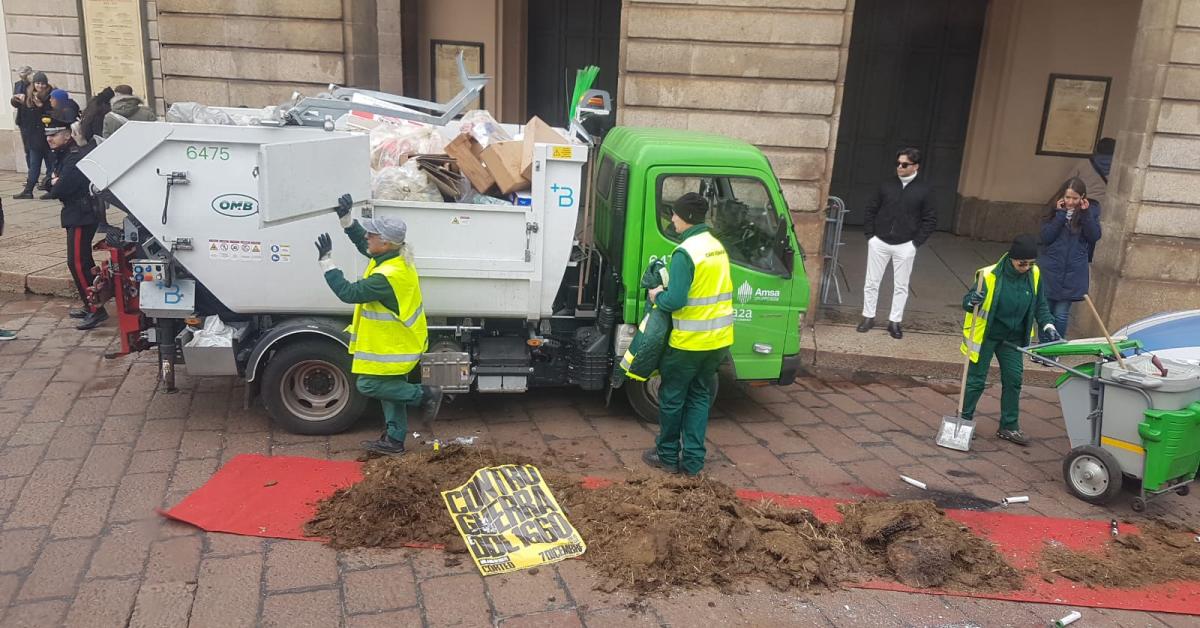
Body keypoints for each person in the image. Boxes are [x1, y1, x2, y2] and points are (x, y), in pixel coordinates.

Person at [315, 194, 442, 455]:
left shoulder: (386, 277)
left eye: (372, 235)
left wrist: (326, 262)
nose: (367, 237)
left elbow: (348, 293)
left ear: (385, 243)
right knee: (390, 391)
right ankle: (395, 441)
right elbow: (363, 245)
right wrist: (346, 220)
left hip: (395, 344)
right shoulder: (392, 257)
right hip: (399, 339)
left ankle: (425, 395)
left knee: (368, 385)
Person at [642, 192, 735, 476]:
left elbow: (677, 300)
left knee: (672, 398)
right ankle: (693, 461)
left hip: (689, 343)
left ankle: (667, 454)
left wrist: (657, 294)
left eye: (676, 214)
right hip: (718, 341)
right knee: (699, 396)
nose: (672, 218)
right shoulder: (716, 247)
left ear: (687, 218)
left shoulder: (685, 252)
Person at [960, 234, 1060, 447]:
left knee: (1014, 379)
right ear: (1011, 258)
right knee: (976, 380)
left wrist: (1048, 326)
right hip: (987, 335)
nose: (1026, 267)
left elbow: (1040, 305)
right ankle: (964, 419)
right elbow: (968, 303)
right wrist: (972, 301)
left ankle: (1009, 425)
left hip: (1013, 338)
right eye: (1022, 263)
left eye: (1031, 263)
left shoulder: (1034, 275)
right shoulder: (987, 275)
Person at [857, 147, 937, 340]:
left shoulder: (924, 190)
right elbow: (871, 209)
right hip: (880, 241)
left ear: (915, 166)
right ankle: (868, 317)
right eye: (898, 163)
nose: (900, 167)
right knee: (871, 282)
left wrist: (915, 243)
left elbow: (930, 219)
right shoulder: (886, 185)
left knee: (901, 285)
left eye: (904, 164)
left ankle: (895, 321)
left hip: (905, 244)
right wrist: (871, 236)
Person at [45, 113, 108, 330]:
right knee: (83, 262)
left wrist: (54, 185)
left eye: (54, 135)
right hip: (74, 213)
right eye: (48, 135)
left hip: (82, 214)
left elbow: (58, 188)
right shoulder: (61, 154)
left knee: (77, 262)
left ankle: (95, 310)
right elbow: (48, 182)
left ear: (67, 135)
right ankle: (90, 302)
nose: (49, 139)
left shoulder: (73, 156)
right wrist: (52, 184)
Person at [1038, 177, 1102, 339]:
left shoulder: (1090, 212)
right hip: (1051, 268)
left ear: (1082, 197)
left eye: (1075, 198)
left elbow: (1094, 236)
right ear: (1062, 196)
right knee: (1046, 312)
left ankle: (1056, 348)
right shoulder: (1053, 212)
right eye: (1068, 197)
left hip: (1073, 271)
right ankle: (1042, 348)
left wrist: (1086, 214)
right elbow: (1046, 237)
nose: (1071, 202)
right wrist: (1060, 215)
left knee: (1061, 313)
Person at [10, 72, 53, 199]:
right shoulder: (28, 96)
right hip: (34, 137)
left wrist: (41, 107)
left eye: (42, 83)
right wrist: (16, 100)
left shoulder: (49, 96)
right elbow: (24, 116)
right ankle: (28, 190)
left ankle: (51, 188)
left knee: (51, 164)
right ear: (34, 83)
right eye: (38, 83)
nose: (40, 86)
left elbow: (50, 114)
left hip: (47, 136)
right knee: (34, 165)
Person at [1073, 137, 1114, 210]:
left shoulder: (1084, 163)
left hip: (1083, 204)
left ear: (1097, 148)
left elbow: (1069, 183)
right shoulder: (1117, 167)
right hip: (1104, 206)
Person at [12, 66, 33, 163]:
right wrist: (15, 99)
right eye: (20, 73)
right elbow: (15, 104)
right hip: (22, 119)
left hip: (33, 119)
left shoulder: (33, 85)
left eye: (24, 73)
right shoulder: (17, 85)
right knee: (27, 148)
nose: (22, 75)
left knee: (38, 148)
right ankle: (31, 170)